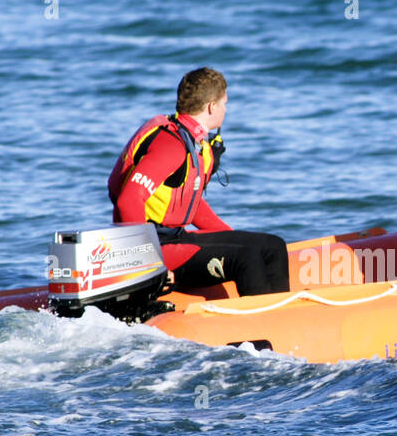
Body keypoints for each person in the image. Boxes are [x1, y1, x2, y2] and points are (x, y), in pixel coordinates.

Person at [108, 68, 290, 296]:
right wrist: (148, 265)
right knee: (248, 257)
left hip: (176, 237)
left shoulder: (194, 142)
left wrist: (231, 238)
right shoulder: (171, 144)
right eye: (225, 104)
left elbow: (189, 204)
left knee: (272, 246)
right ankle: (258, 326)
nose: (225, 110)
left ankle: (280, 318)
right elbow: (129, 199)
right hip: (158, 246)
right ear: (212, 106)